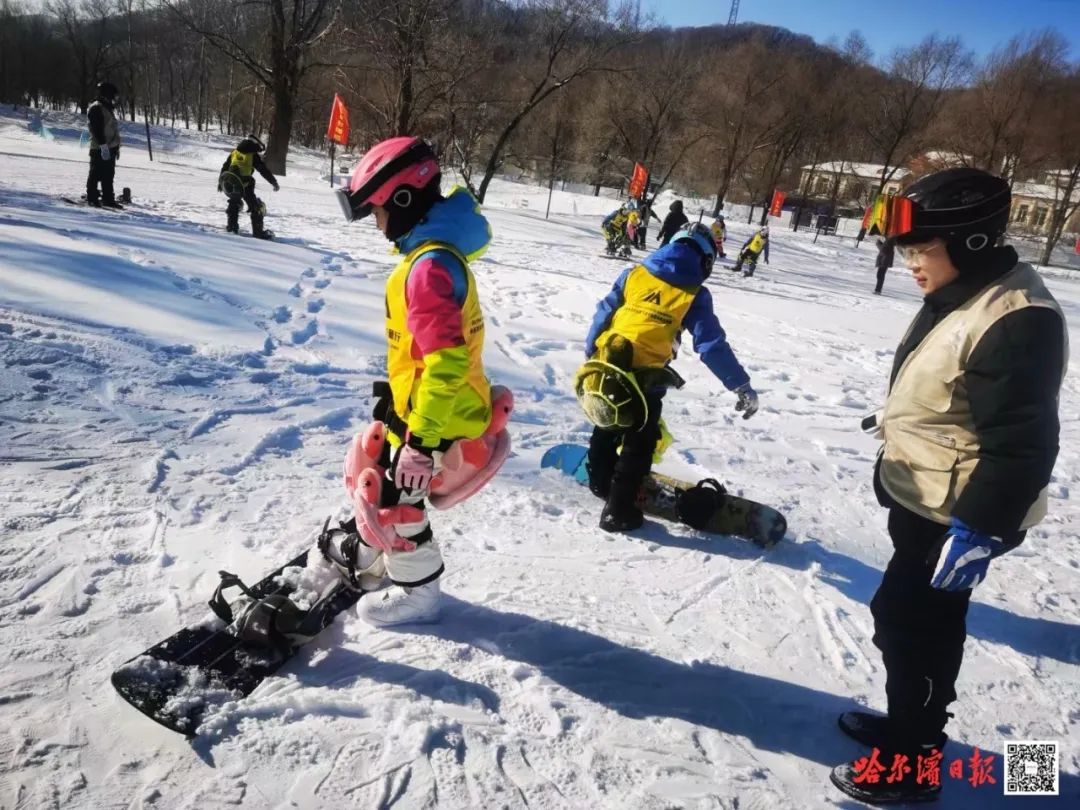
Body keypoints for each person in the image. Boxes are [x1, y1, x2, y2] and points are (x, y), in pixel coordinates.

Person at [831, 168, 1067, 804]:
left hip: (959, 517)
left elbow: (1023, 443)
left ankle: (914, 763)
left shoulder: (1015, 319)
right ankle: (908, 727)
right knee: (903, 621)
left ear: (972, 242)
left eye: (921, 249)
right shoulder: (962, 292)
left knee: (917, 632)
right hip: (930, 500)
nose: (909, 262)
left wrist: (980, 529)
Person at [330, 136, 510, 626]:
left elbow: (446, 363)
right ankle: (374, 557)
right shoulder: (429, 258)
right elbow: (420, 352)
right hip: (426, 410)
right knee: (378, 475)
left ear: (403, 200)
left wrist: (422, 441)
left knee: (400, 504)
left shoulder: (428, 269)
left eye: (377, 211)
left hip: (438, 420)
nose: (377, 223)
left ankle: (419, 592)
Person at [575, 222, 760, 531]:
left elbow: (604, 312)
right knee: (640, 440)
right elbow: (711, 345)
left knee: (608, 421)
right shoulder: (694, 293)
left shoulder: (634, 275)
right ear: (706, 260)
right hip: (645, 378)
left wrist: (591, 351)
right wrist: (741, 384)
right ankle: (618, 510)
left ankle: (600, 480)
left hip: (607, 361)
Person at [218, 135, 279, 238]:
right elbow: (263, 170)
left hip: (231, 184)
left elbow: (225, 167)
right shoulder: (252, 155)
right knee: (257, 207)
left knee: (234, 203)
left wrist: (220, 182)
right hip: (246, 185)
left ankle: (232, 228)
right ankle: (258, 233)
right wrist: (274, 182)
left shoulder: (235, 152)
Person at [86, 81, 123, 209]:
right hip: (99, 147)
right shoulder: (96, 108)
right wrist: (103, 146)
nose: (114, 98)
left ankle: (108, 198)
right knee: (95, 173)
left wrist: (115, 147)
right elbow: (96, 129)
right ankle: (92, 197)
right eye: (113, 95)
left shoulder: (107, 108)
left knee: (108, 175)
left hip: (110, 147)